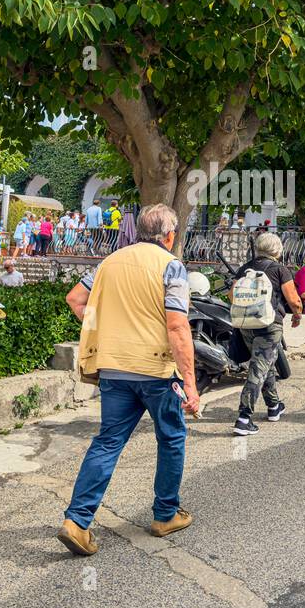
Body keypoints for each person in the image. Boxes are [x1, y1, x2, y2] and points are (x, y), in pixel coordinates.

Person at [57, 204, 200, 556]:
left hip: (114, 368)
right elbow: (177, 326)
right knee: (171, 438)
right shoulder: (172, 266)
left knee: (107, 442)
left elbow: (76, 298)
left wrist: (104, 332)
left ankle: (77, 521)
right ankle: (165, 514)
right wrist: (191, 384)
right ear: (170, 234)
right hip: (155, 371)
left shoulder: (109, 262)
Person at [231, 231, 302, 437]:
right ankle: (244, 417)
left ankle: (274, 406)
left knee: (266, 363)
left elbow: (232, 295)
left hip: (246, 324)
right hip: (269, 325)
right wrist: (297, 315)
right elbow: (294, 300)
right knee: (258, 368)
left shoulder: (246, 268)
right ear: (278, 250)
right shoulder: (280, 269)